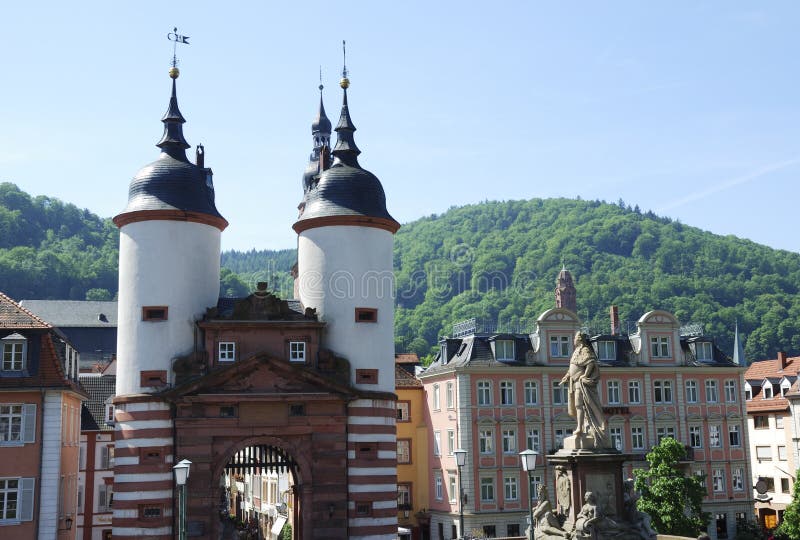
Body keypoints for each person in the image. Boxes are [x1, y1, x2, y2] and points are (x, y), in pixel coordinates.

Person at [560, 331, 606, 442]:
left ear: (579, 339)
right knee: (577, 406)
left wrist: (585, 375)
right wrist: (567, 376)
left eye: (575, 338)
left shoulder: (585, 350)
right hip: (574, 382)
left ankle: (580, 428)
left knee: (579, 405)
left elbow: (590, 363)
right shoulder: (576, 351)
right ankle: (582, 427)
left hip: (581, 383)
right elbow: (572, 367)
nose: (573, 340)